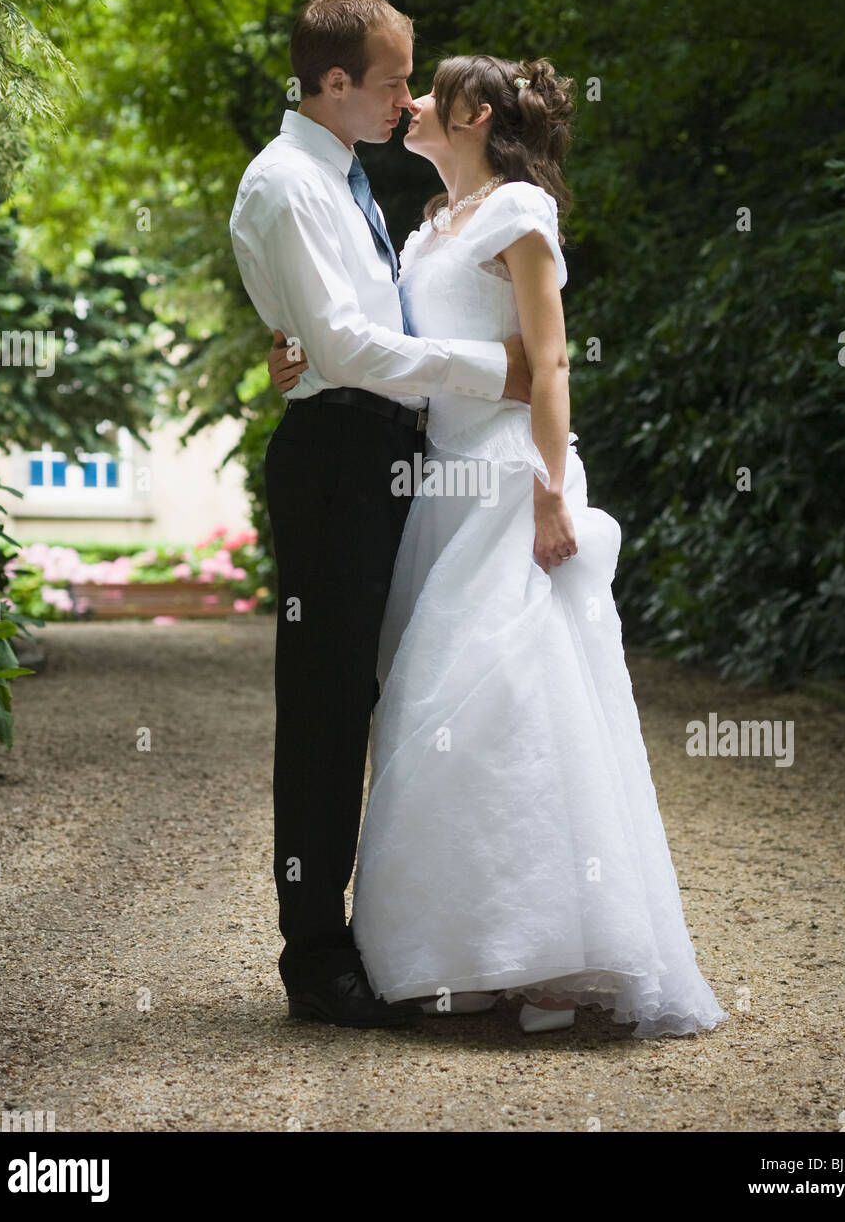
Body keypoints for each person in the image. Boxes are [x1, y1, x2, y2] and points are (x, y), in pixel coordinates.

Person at [272, 52, 728, 1038]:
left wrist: (551, 492)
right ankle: (468, 949)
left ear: (476, 113)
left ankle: (556, 953)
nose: (416, 104)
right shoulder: (430, 227)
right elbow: (386, 341)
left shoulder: (524, 214)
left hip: (511, 481)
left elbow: (550, 358)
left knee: (516, 699)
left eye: (430, 92)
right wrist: (305, 353)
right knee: (433, 711)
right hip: (439, 486)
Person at [229, 0, 532, 1028]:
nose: (411, 98)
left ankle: (389, 930)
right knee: (323, 707)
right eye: (397, 79)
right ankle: (316, 957)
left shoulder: (344, 177)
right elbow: (351, 350)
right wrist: (501, 371)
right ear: (337, 81)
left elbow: (342, 330)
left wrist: (307, 353)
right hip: (337, 459)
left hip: (383, 447)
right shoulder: (287, 186)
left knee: (387, 693)